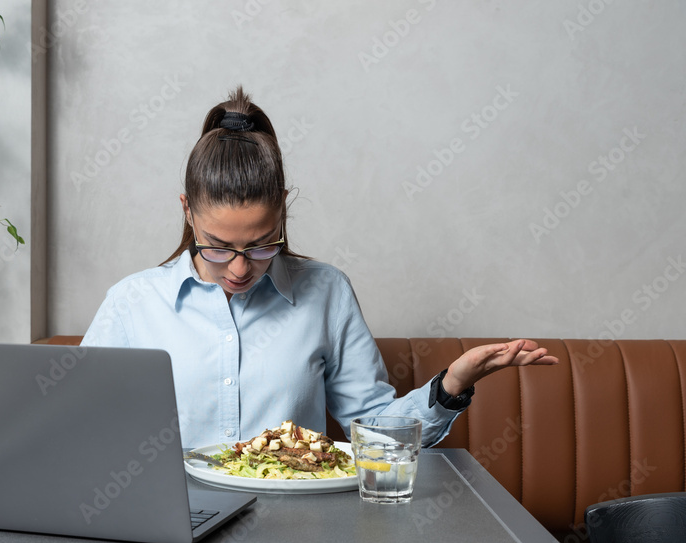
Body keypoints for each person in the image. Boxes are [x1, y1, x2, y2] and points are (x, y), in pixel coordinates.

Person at [81, 86, 557, 449]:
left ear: (283, 210)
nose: (241, 268)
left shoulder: (326, 291)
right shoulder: (132, 303)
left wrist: (452, 384)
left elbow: (376, 434)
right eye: (219, 246)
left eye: (263, 243)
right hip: (171, 532)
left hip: (294, 534)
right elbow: (77, 430)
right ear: (187, 211)